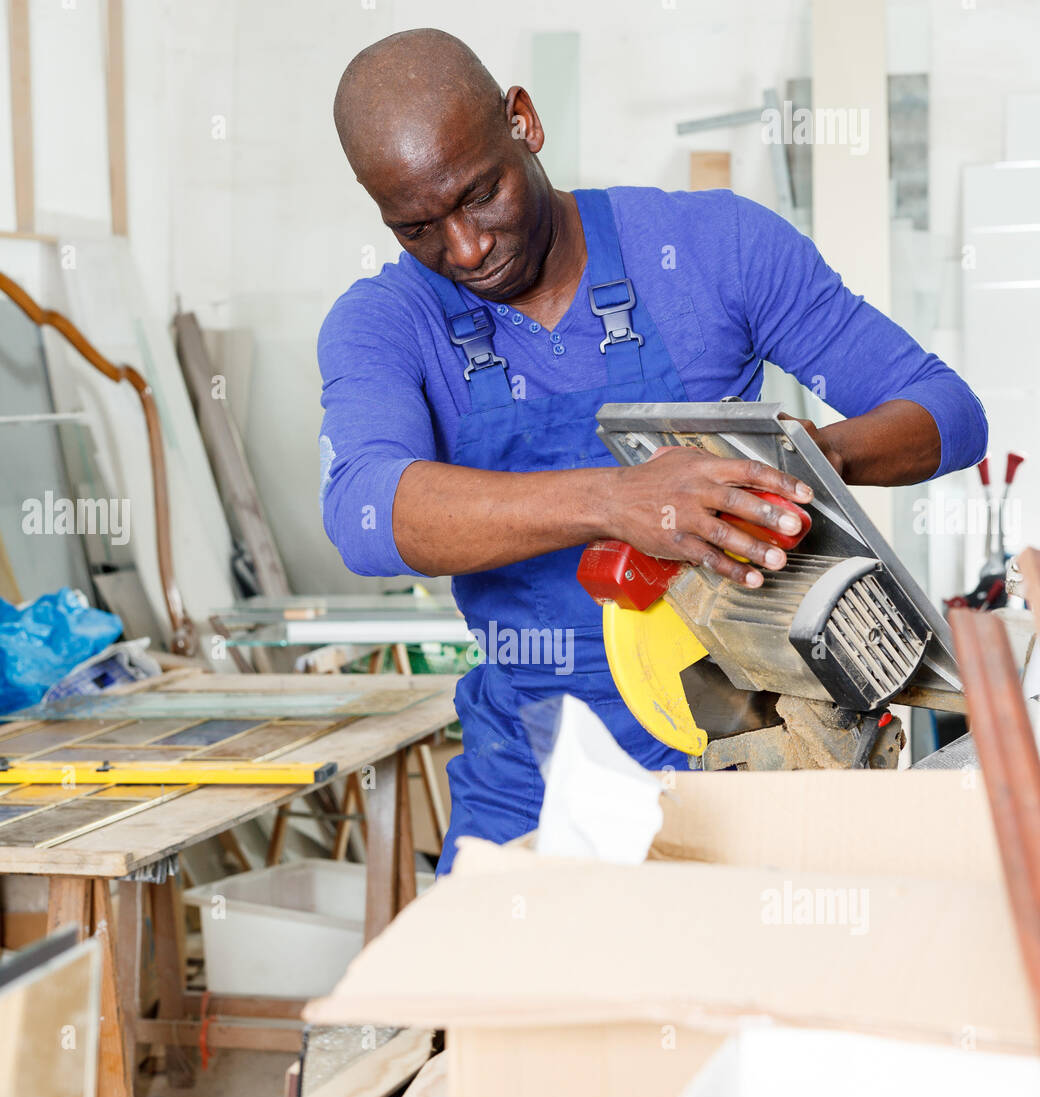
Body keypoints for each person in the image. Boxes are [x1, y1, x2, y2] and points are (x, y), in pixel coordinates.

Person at [319, 29, 987, 872]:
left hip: (759, 756)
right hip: (537, 776)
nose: (465, 250)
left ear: (523, 121)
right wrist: (614, 500)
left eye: (479, 196)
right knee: (500, 994)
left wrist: (811, 462)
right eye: (416, 228)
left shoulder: (713, 248)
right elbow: (365, 510)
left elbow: (948, 411)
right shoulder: (386, 323)